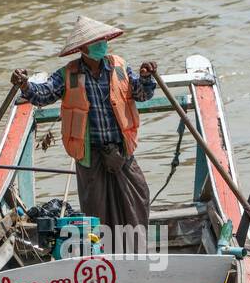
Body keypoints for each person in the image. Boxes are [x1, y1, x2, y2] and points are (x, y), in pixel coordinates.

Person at [12, 16, 156, 252]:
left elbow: (141, 94)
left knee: (137, 200)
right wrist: (25, 86)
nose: (103, 45)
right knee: (97, 210)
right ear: (84, 48)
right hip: (91, 155)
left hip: (122, 151)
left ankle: (136, 256)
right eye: (97, 42)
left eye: (104, 40)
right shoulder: (69, 74)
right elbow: (43, 94)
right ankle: (105, 260)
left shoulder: (119, 66)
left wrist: (147, 77)